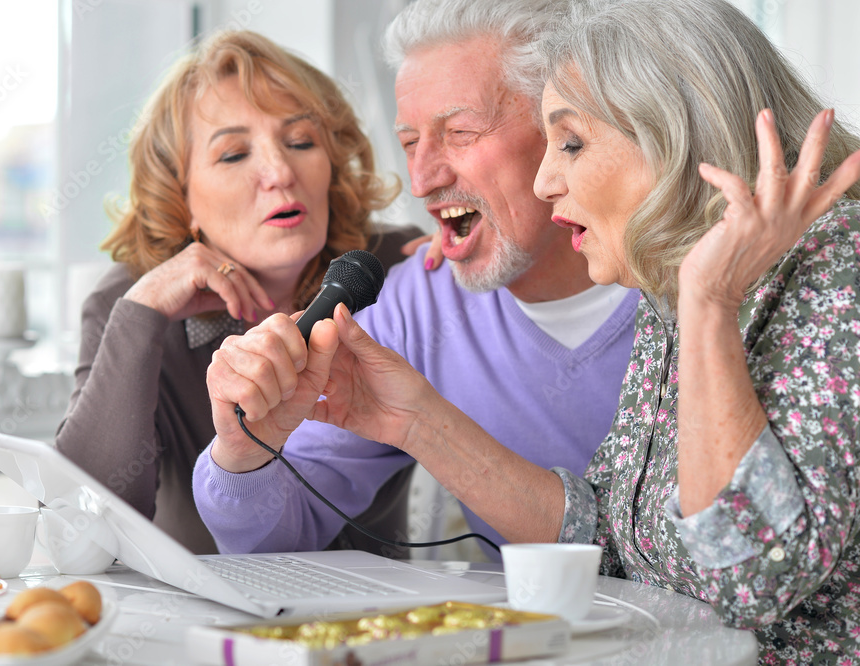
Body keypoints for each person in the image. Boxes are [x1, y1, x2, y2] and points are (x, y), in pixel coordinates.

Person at [204, 0, 860, 659]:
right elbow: (617, 547)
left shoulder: (803, 274)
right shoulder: (669, 282)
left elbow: (743, 580)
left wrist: (706, 304)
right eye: (408, 143)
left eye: (569, 142)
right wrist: (412, 422)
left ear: (670, 131)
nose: (422, 177)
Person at [193, 0, 639, 560]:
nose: (422, 178)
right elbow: (276, 535)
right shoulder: (416, 304)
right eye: (409, 142)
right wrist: (241, 452)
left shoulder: (700, 281)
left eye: (460, 132)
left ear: (566, 130)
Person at [55, 30, 424, 555]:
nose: (279, 173)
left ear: (333, 166)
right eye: (233, 155)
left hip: (377, 621)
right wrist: (140, 317)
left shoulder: (396, 269)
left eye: (301, 142)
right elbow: (82, 524)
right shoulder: (131, 301)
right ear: (180, 198)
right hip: (200, 622)